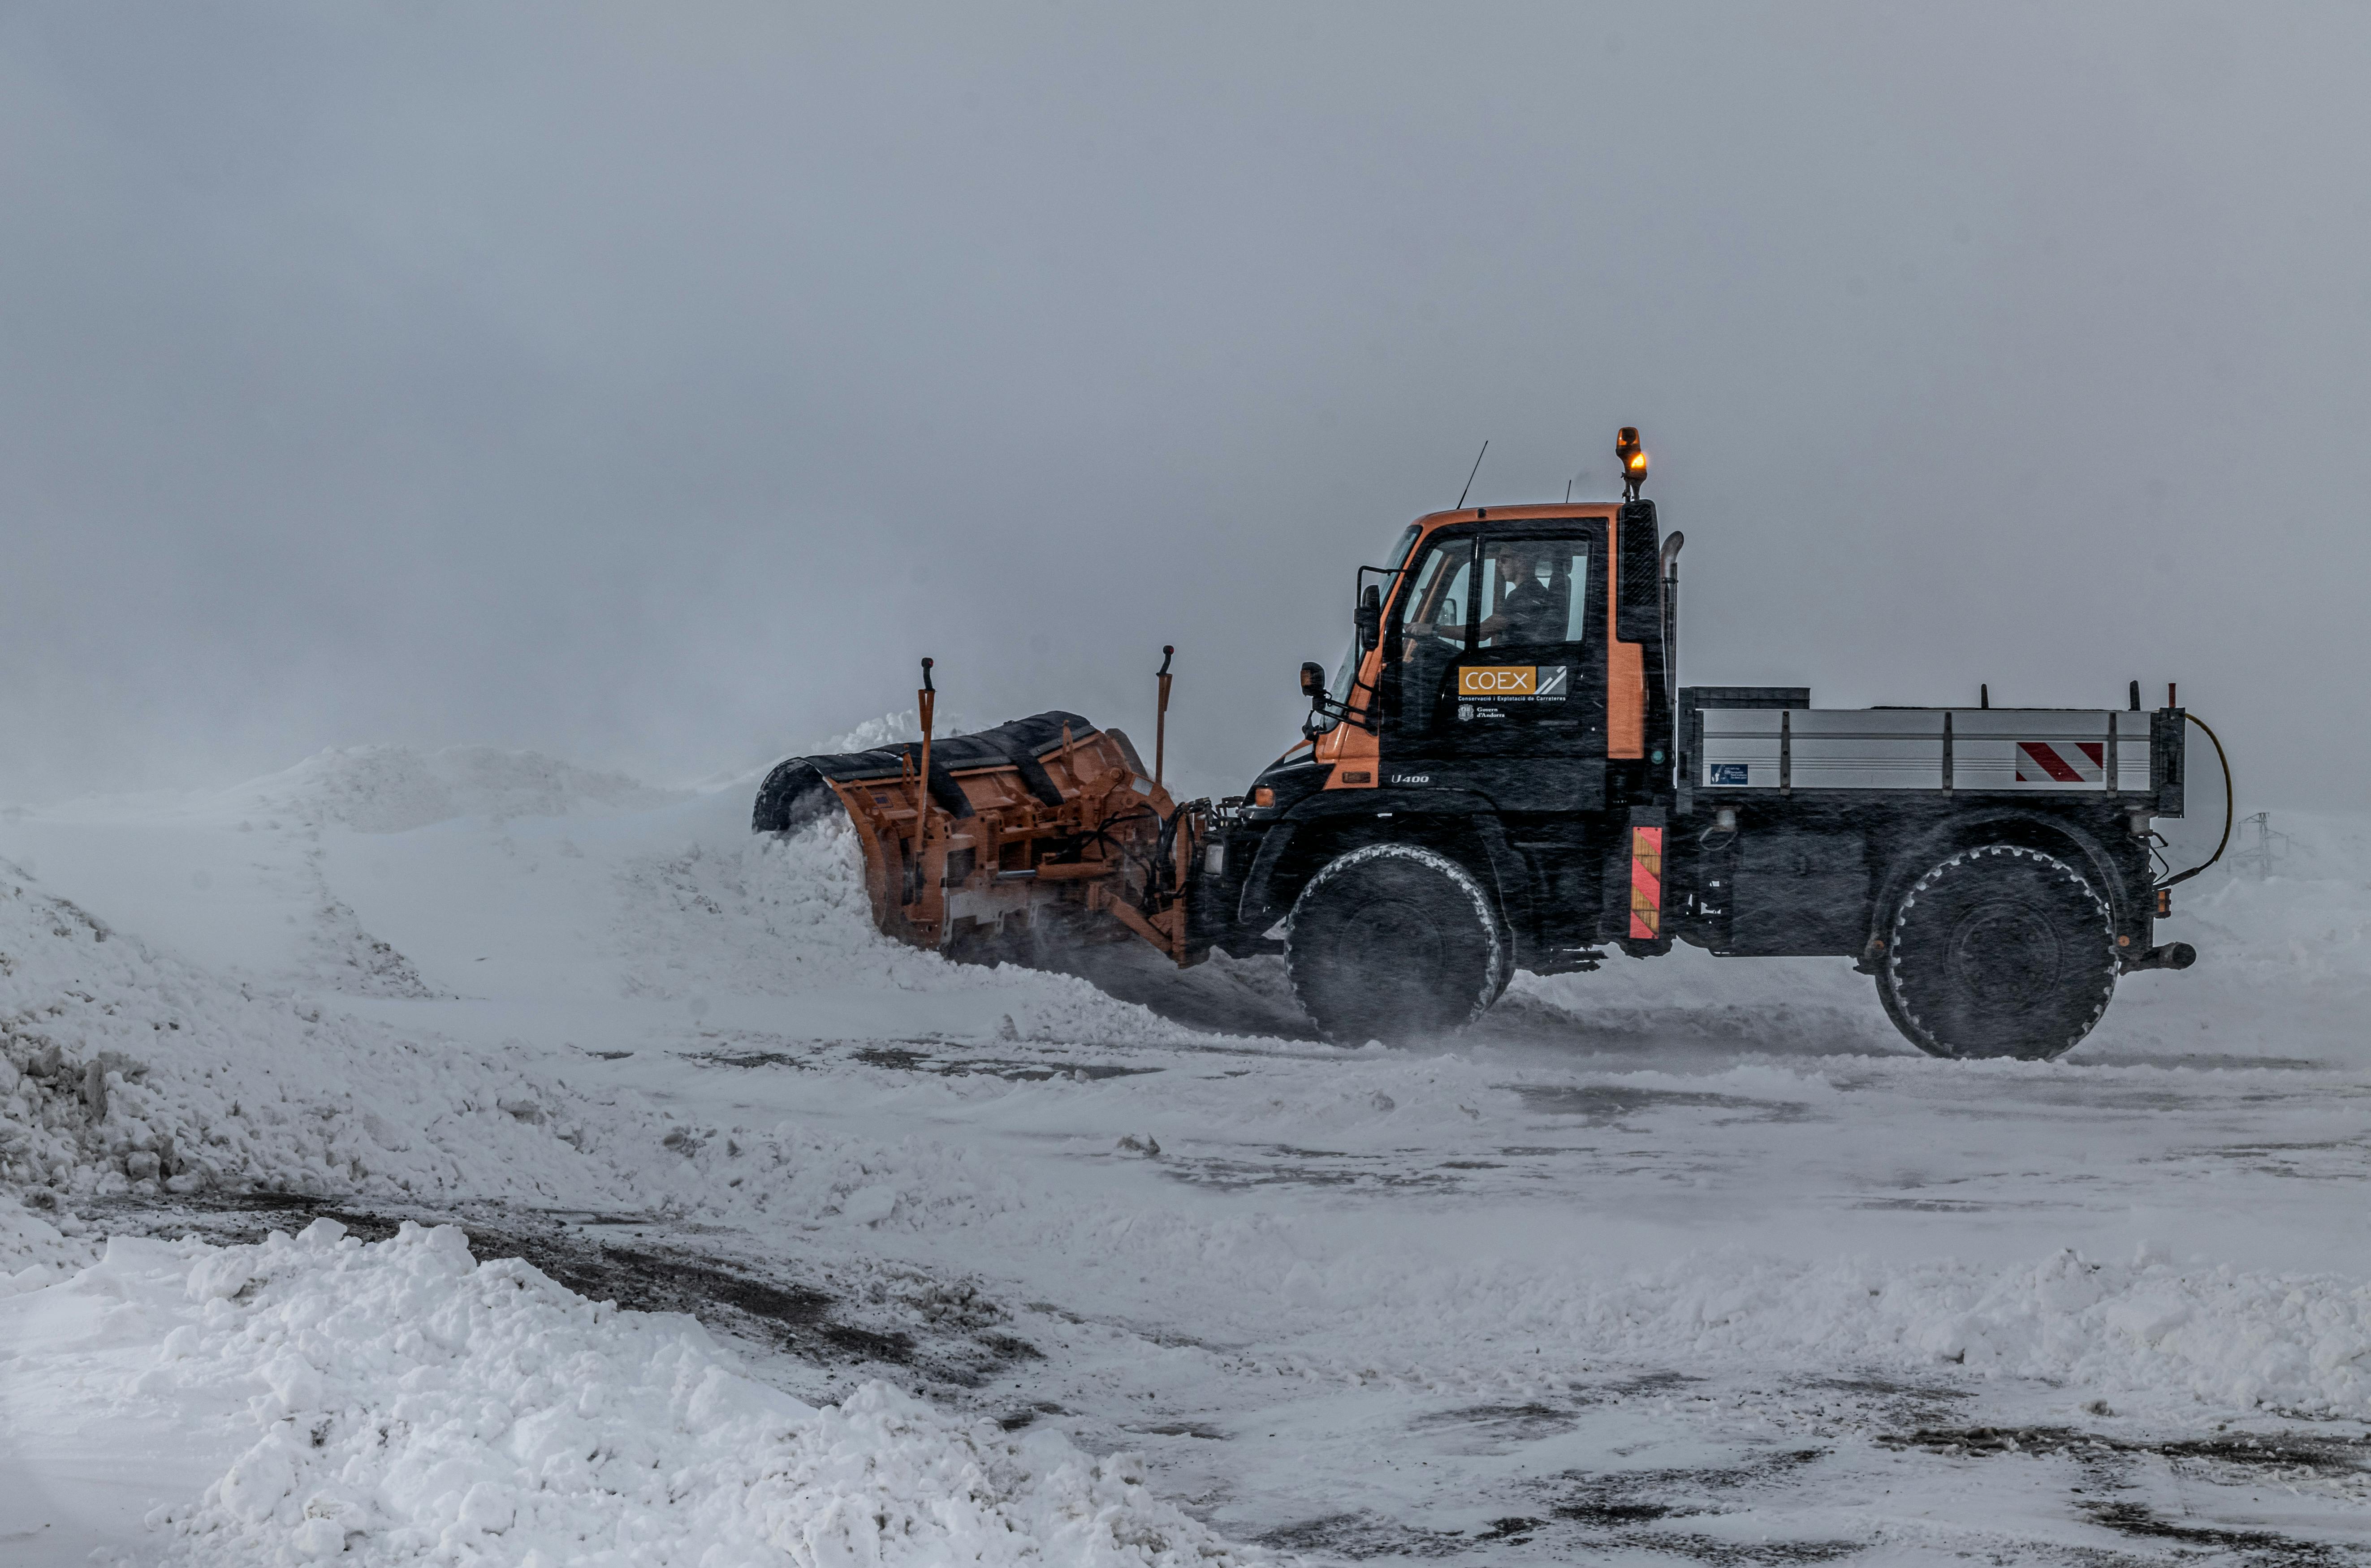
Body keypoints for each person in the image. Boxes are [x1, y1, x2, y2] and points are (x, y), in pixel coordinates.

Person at [1477, 544, 1561, 646]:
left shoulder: (1524, 594)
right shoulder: (1535, 590)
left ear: (1520, 560)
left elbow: (1483, 632)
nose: (1499, 565)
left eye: (1503, 560)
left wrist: (1451, 631)